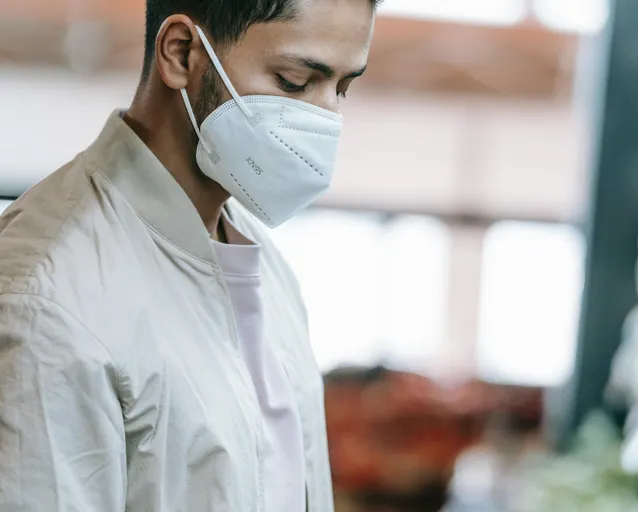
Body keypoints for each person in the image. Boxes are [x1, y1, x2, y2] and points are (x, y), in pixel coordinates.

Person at [0, 0, 378, 510]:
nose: (325, 118)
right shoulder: (48, 296)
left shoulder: (269, 268)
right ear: (181, 53)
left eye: (343, 88)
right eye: (293, 82)